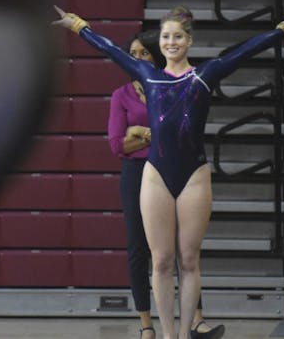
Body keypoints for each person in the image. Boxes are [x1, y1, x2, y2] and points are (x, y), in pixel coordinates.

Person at [55, 4, 284, 339]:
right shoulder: (146, 73)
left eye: (178, 36)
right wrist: (77, 25)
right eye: (166, 37)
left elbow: (247, 50)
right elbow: (107, 47)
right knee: (161, 261)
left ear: (189, 40)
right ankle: (166, 335)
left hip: (194, 175)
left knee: (189, 260)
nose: (171, 42)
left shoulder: (204, 75)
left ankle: (183, 333)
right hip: (155, 175)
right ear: (159, 43)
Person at [108, 30, 223, 339]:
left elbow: (179, 132)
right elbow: (118, 145)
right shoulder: (123, 94)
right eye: (132, 53)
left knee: (186, 254)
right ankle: (148, 325)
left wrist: (142, 133)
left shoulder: (171, 83)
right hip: (141, 173)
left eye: (143, 53)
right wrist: (151, 135)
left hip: (180, 170)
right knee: (145, 251)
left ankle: (194, 322)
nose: (137, 58)